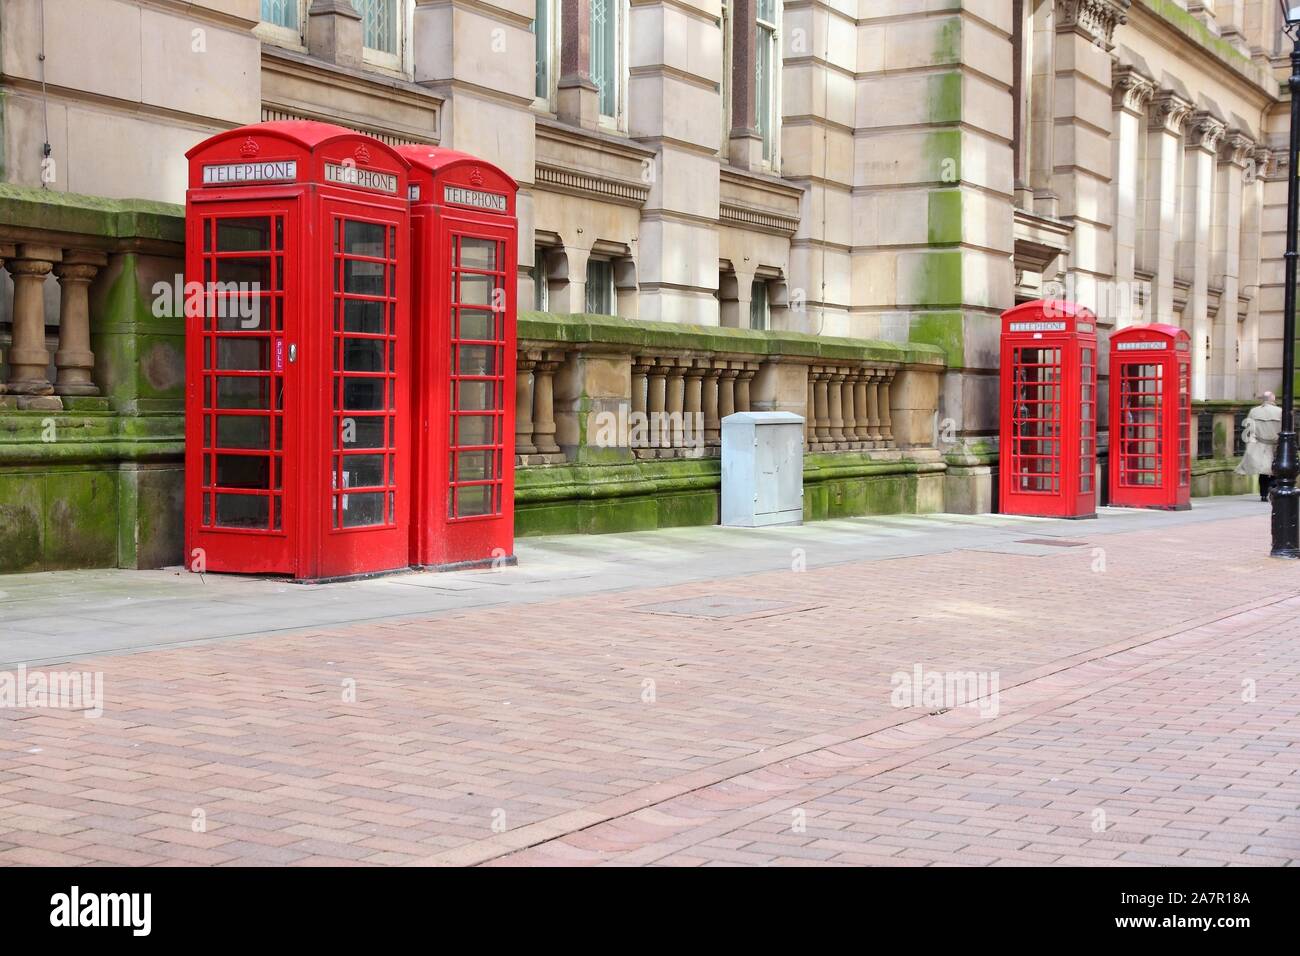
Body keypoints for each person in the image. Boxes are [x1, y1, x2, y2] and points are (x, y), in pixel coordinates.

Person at [1236, 391, 1282, 501]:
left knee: (1263, 471)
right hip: (1275, 445)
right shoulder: (1280, 411)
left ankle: (1263, 494)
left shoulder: (1254, 411)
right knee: (1274, 469)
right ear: (1273, 399)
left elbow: (1248, 430)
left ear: (1263, 399)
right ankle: (1273, 487)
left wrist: (1250, 444)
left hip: (1260, 444)